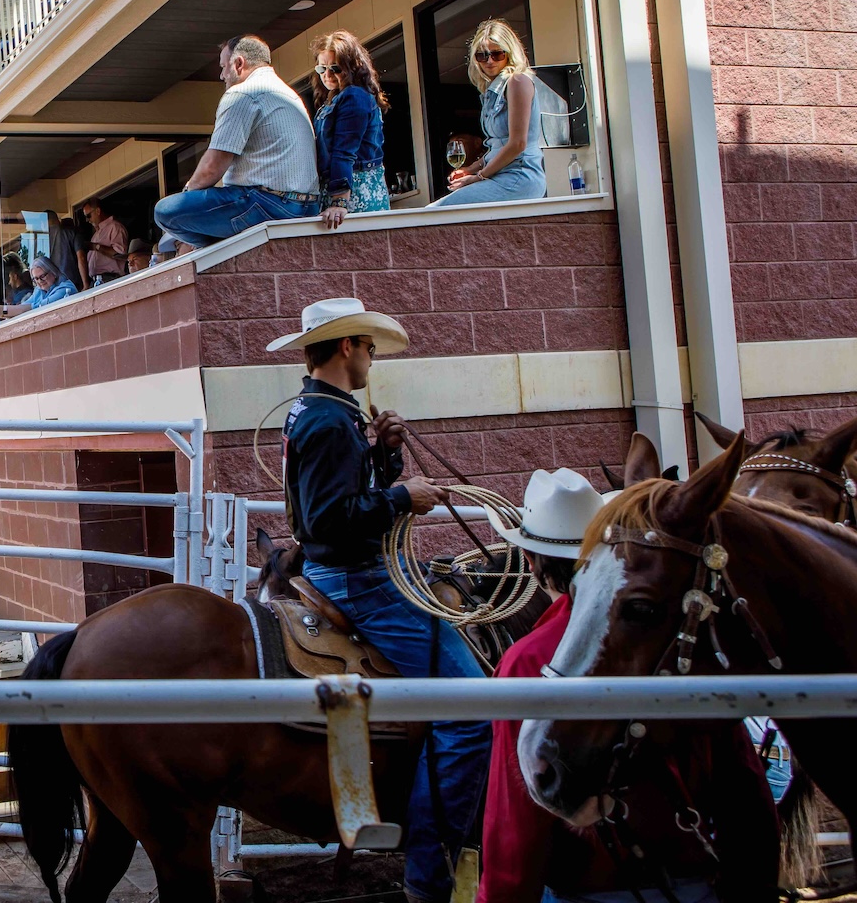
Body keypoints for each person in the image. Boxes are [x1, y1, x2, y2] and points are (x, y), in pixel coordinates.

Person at [269, 299, 486, 903]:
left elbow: (335, 500)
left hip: (335, 572)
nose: (372, 360)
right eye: (369, 348)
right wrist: (401, 496)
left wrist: (385, 456)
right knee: (473, 711)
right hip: (360, 584)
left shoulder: (317, 411)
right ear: (347, 347)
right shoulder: (330, 421)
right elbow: (330, 519)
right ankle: (428, 875)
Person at [478, 472, 780, 903]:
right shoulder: (677, 631)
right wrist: (755, 886)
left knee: (454, 730)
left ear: (529, 560)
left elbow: (516, 824)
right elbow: (742, 781)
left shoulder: (528, 660)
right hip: (703, 882)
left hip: (597, 890)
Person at [153, 35, 321, 247]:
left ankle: (218, 256)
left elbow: (213, 166)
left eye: (224, 67)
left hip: (266, 205)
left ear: (239, 63)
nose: (222, 75)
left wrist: (188, 198)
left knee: (166, 212)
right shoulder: (290, 94)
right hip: (308, 207)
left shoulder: (242, 94)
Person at [431, 20, 547, 208]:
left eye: (497, 54)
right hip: (499, 175)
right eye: (482, 56)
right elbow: (497, 146)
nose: (490, 61)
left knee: (437, 212)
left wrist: (478, 177)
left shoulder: (517, 81)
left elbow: (518, 144)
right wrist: (470, 169)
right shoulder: (491, 90)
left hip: (519, 176)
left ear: (509, 53)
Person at [309, 30, 392, 230]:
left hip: (356, 194)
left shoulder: (354, 96)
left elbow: (344, 151)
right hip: (343, 189)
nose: (327, 75)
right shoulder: (336, 98)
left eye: (335, 68)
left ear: (352, 67)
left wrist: (339, 202)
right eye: (322, 68)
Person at [0, 257, 77, 320]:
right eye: (36, 279)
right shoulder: (40, 290)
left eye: (42, 276)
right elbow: (21, 308)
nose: (40, 281)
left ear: (53, 272)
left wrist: (3, 310)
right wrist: (0, 314)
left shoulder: (65, 289)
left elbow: (35, 308)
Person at [80, 197, 129, 287]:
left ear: (98, 211)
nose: (87, 220)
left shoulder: (115, 227)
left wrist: (96, 247)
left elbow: (120, 253)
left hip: (110, 279)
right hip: (95, 281)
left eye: (88, 216)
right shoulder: (96, 235)